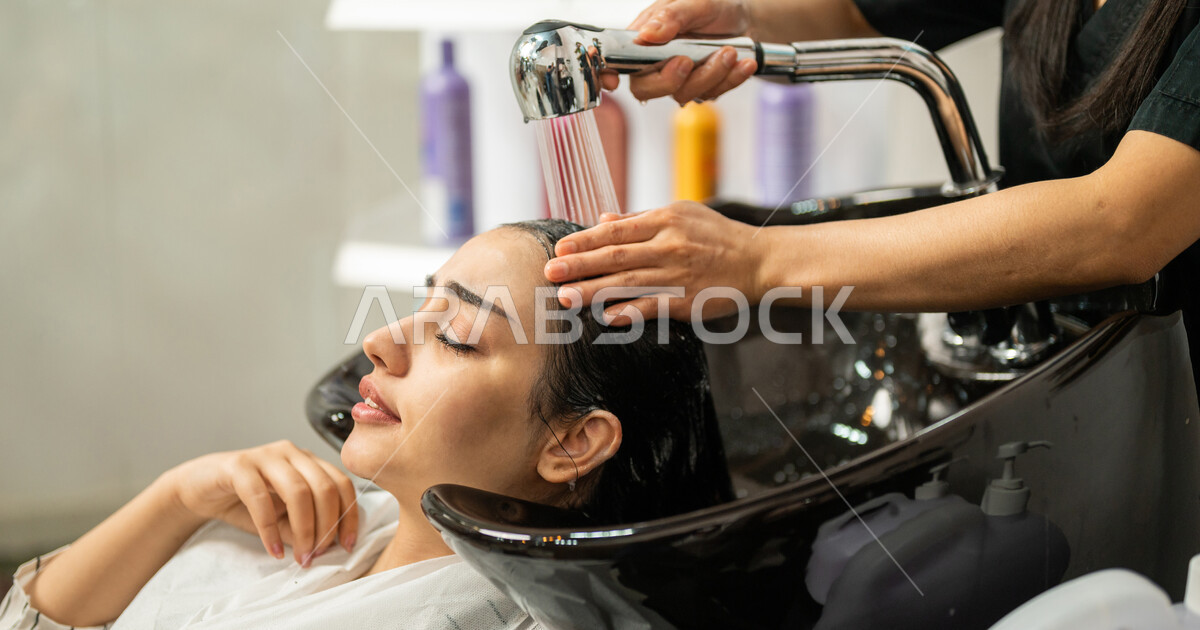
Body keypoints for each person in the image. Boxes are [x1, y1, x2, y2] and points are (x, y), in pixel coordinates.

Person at [0, 219, 732, 629]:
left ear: (572, 442)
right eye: (424, 305)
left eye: (456, 335)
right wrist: (176, 498)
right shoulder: (316, 519)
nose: (379, 342)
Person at [546, 0, 1200, 395]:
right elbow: (861, 11)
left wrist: (757, 261)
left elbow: (1124, 221)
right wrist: (740, 17)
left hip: (1174, 394)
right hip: (1071, 365)